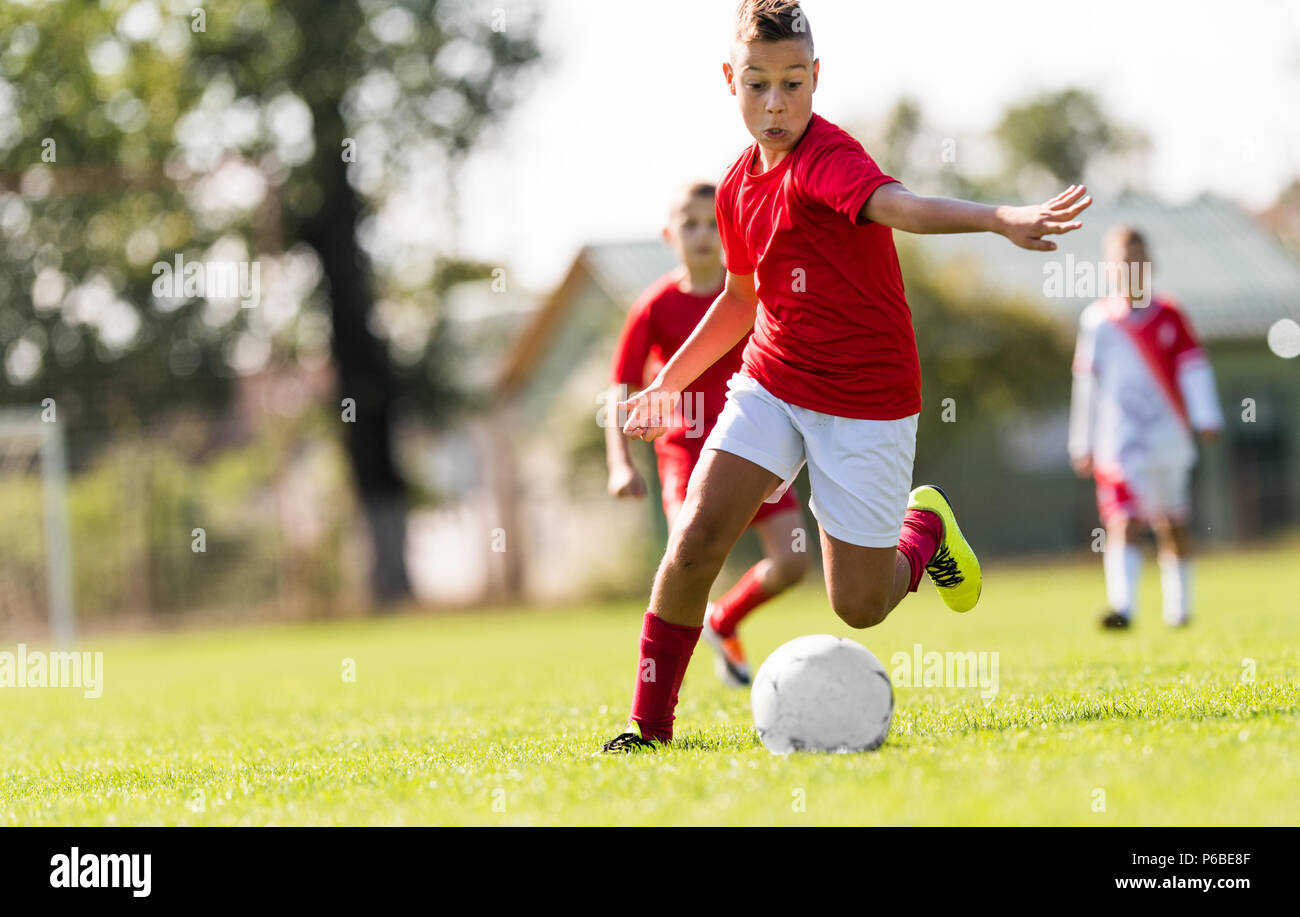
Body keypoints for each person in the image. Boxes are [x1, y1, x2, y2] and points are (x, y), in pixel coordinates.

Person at [601, 0, 1090, 751]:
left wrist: (997, 217)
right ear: (730, 80)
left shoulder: (827, 160)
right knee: (695, 536)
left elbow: (903, 207)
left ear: (816, 78)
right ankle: (648, 728)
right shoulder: (734, 187)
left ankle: (922, 529)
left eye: (794, 83)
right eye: (759, 84)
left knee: (858, 606)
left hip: (866, 398)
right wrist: (670, 380)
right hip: (773, 380)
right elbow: (740, 298)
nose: (776, 102)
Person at [606, 181, 808, 686]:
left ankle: (726, 619)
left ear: (729, 231)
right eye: (689, 224)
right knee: (690, 563)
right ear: (668, 234)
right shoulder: (653, 308)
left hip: (755, 445)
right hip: (686, 458)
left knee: (794, 561)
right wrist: (620, 462)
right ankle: (659, 688)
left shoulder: (748, 295)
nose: (701, 234)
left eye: (711, 224)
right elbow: (621, 387)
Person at [1068, 226, 1223, 629]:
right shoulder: (1098, 322)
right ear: (1109, 269)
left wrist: (1207, 416)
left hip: (1167, 435)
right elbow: (1087, 383)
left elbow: (1193, 368)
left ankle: (1180, 609)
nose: (1131, 268)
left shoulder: (1171, 316)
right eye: (1123, 262)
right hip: (1119, 440)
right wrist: (1081, 441)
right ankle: (1124, 608)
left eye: (1138, 260)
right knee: (1123, 520)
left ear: (1149, 264)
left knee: (1173, 522)